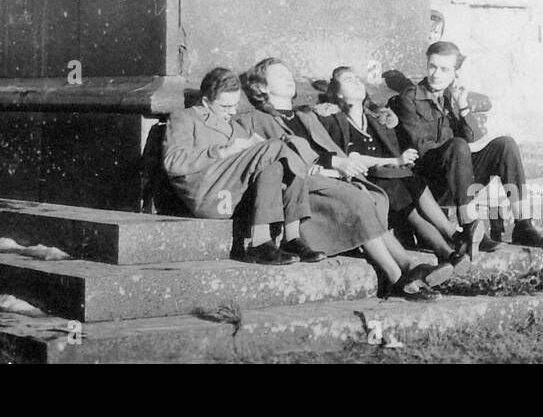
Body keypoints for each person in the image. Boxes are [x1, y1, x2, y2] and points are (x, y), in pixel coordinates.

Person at [236, 58, 448, 300]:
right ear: (261, 87)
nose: (288, 79)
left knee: (369, 197)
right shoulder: (253, 119)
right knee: (357, 200)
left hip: (333, 180)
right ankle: (395, 275)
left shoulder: (306, 116)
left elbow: (331, 150)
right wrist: (328, 168)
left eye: (289, 74)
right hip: (301, 188)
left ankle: (407, 268)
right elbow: (270, 161)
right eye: (279, 76)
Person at [390, 41, 543, 253]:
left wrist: (463, 107)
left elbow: (473, 139)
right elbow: (423, 149)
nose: (436, 74)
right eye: (432, 66)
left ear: (455, 73)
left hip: (460, 177)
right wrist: (459, 151)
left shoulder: (451, 97)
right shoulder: (409, 99)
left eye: (444, 69)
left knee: (505, 145)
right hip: (431, 182)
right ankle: (469, 227)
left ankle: (523, 224)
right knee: (457, 146)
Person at [163, 68, 324, 265]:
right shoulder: (185, 118)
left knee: (277, 160)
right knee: (275, 147)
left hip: (236, 193)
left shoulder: (234, 125)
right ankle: (261, 241)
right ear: (205, 102)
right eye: (225, 106)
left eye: (235, 105)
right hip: (209, 193)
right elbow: (173, 162)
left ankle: (288, 238)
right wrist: (223, 151)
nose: (232, 112)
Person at [318, 67, 474, 269]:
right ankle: (448, 251)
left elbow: (390, 151)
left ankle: (453, 239)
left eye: (357, 78)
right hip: (363, 180)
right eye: (348, 79)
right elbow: (349, 158)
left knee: (412, 180)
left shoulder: (376, 119)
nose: (357, 82)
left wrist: (399, 160)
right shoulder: (333, 120)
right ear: (338, 93)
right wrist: (395, 161)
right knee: (406, 203)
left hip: (387, 175)